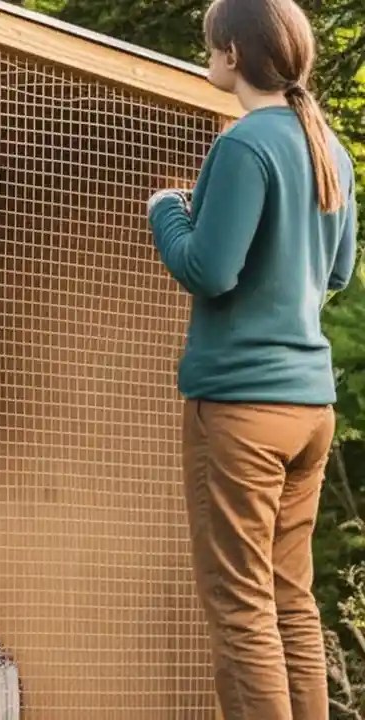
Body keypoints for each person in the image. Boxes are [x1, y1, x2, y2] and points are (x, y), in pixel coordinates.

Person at [146, 0, 358, 718]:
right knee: (289, 598)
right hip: (309, 409)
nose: (208, 54)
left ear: (233, 53)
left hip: (241, 408)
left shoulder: (245, 144)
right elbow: (337, 272)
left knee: (240, 606)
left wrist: (167, 210)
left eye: (211, 44)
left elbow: (209, 270)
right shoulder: (329, 148)